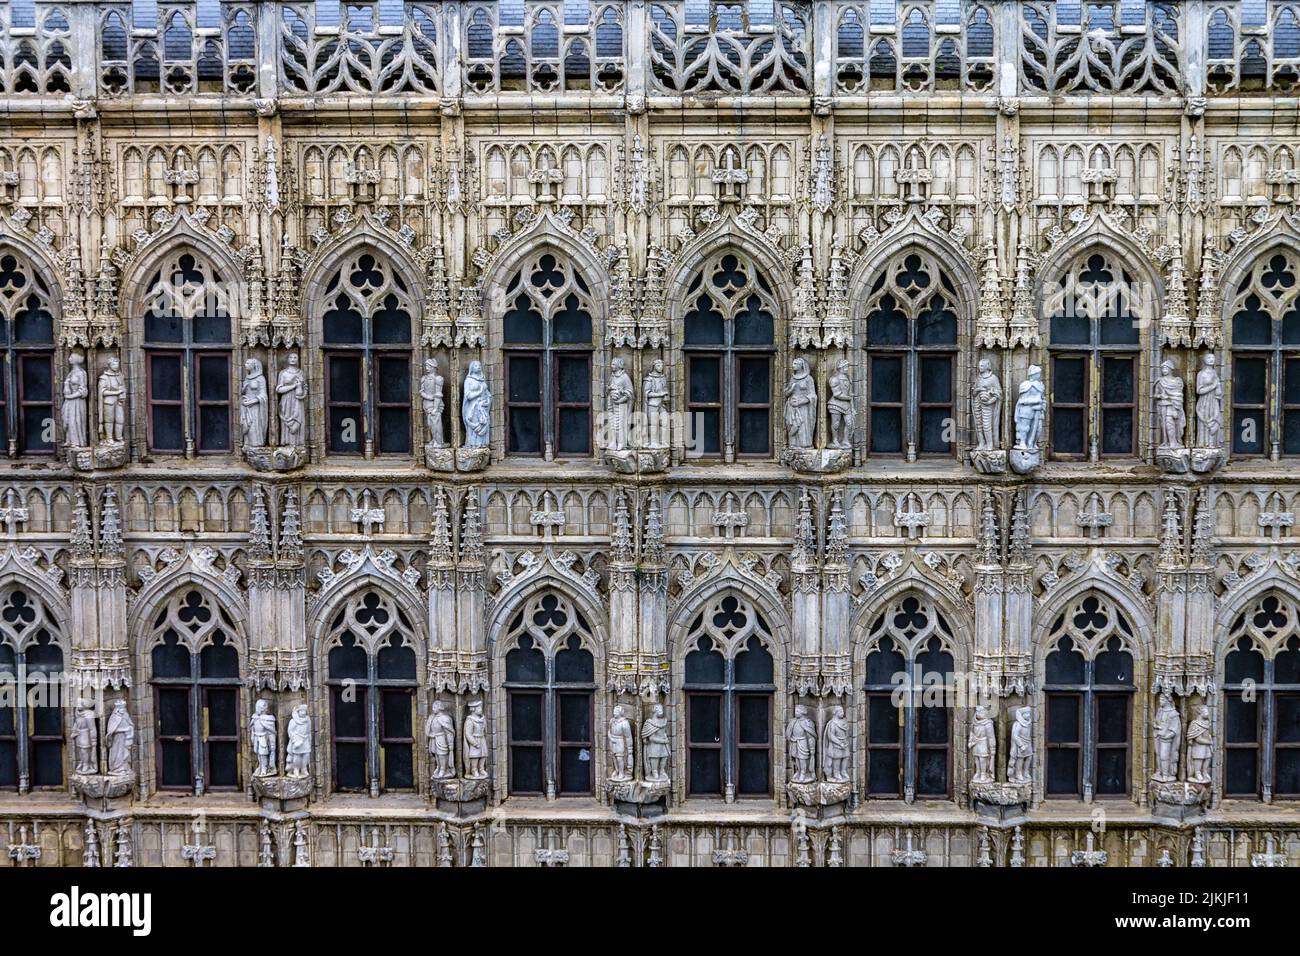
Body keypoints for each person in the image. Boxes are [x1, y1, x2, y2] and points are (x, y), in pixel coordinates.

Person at [462, 361, 491, 449]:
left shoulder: (482, 380)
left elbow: (487, 394)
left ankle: (482, 444)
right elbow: (468, 396)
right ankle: (473, 444)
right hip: (473, 408)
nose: (478, 367)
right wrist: (479, 393)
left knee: (483, 423)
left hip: (483, 407)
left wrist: (488, 400)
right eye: (475, 365)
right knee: (474, 427)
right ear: (472, 368)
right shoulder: (468, 380)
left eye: (479, 365)